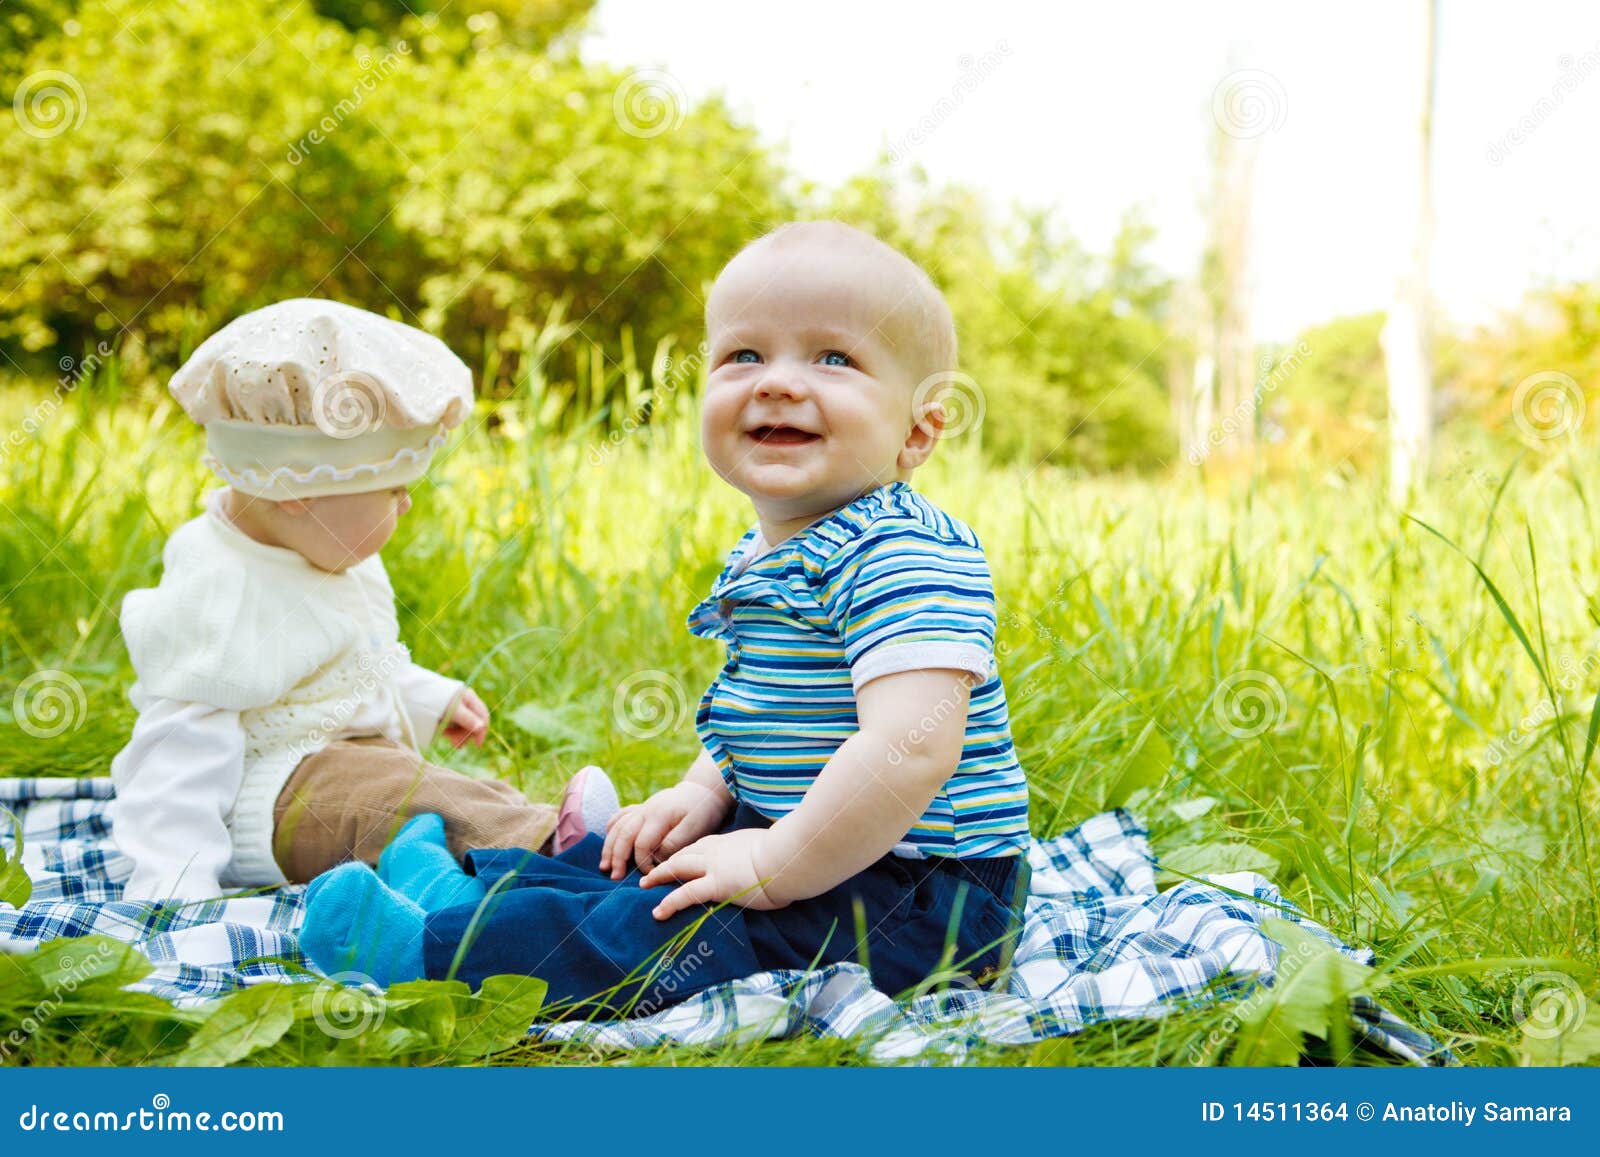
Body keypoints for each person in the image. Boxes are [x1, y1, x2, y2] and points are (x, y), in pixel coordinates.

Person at [300, 223, 1030, 1014]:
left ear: (920, 429)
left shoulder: (902, 555)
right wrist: (707, 792)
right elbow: (781, 714)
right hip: (813, 835)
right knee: (643, 866)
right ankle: (463, 895)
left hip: (920, 898)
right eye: (744, 355)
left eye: (834, 358)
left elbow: (908, 748)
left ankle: (433, 955)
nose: (777, 383)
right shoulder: (774, 548)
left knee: (674, 927)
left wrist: (774, 861)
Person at [109, 298, 615, 903]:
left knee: (424, 794)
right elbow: (176, 752)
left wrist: (429, 696)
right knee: (403, 796)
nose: (405, 506)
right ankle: (553, 849)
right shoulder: (222, 591)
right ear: (296, 488)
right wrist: (172, 885)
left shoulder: (323, 548)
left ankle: (485, 874)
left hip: (351, 770)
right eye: (393, 490)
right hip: (272, 797)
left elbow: (353, 664)